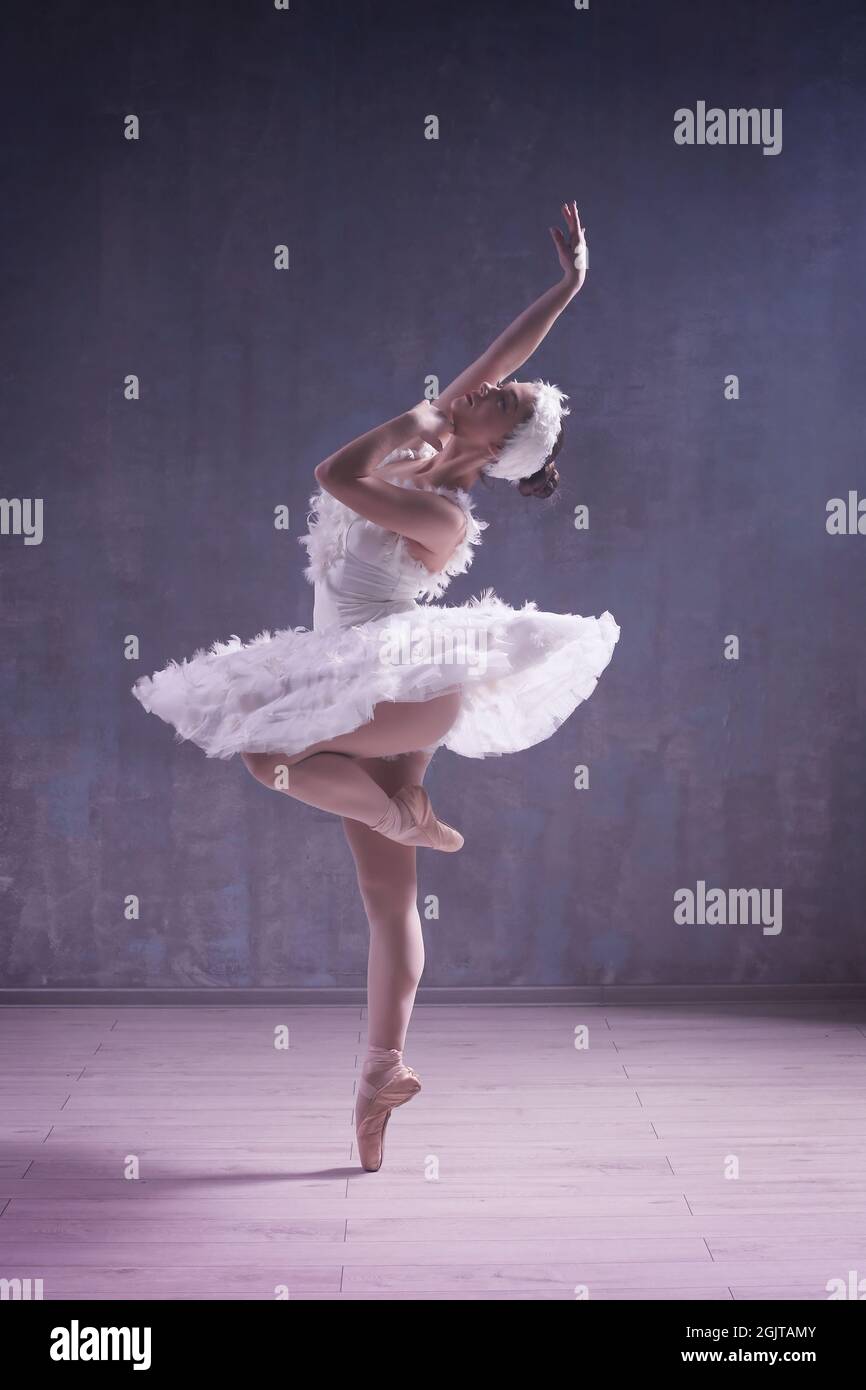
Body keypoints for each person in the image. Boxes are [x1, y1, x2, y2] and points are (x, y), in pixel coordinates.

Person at [132, 201, 619, 1170]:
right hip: (360, 680)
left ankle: (403, 813)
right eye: (501, 383)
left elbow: (332, 473)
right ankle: (378, 1077)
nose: (491, 380)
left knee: (269, 754)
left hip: (387, 680)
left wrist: (401, 424)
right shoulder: (454, 424)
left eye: (505, 394)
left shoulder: (439, 509)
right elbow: (502, 347)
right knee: (385, 898)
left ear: (493, 436)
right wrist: (567, 287)